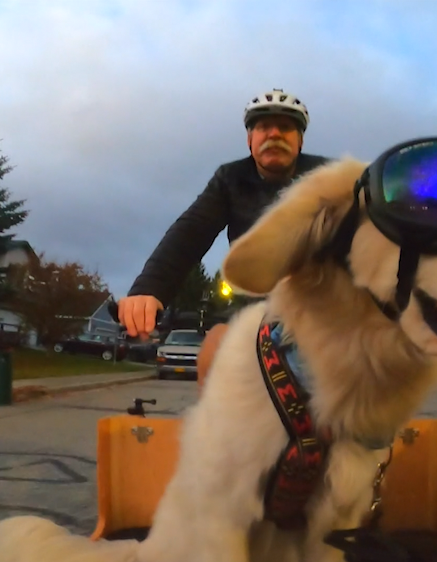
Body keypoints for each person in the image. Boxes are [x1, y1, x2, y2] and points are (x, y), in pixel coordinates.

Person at [118, 89, 332, 386]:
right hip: (253, 307)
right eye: (262, 127)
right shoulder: (230, 179)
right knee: (215, 348)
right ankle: (221, 431)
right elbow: (190, 233)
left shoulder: (327, 177)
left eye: (285, 127)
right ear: (249, 139)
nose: (274, 134)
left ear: (300, 140)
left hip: (323, 306)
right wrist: (149, 288)